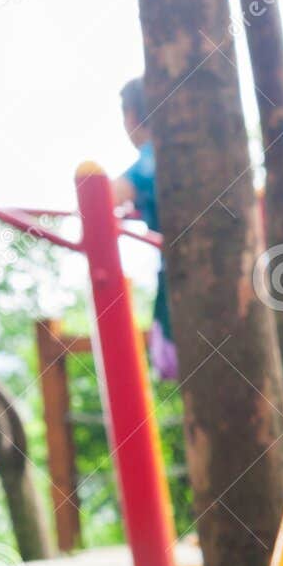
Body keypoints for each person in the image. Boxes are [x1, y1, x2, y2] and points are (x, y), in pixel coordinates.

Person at [110, 77, 177, 380]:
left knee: (169, 359)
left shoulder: (153, 156)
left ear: (131, 116)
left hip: (181, 277)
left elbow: (107, 196)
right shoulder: (187, 155)